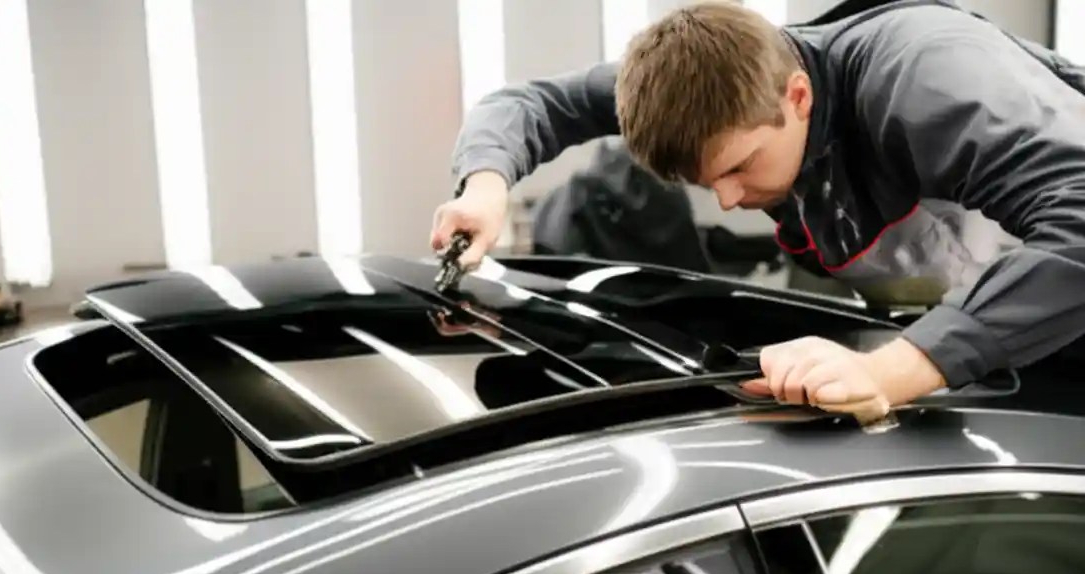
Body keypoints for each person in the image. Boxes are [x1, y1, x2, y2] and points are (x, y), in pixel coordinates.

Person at [429, 0, 1085, 422]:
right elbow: (534, 104)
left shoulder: (925, 74)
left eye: (740, 166)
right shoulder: (706, 85)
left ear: (797, 95)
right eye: (703, 182)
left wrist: (888, 371)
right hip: (996, 340)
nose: (730, 200)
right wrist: (485, 184)